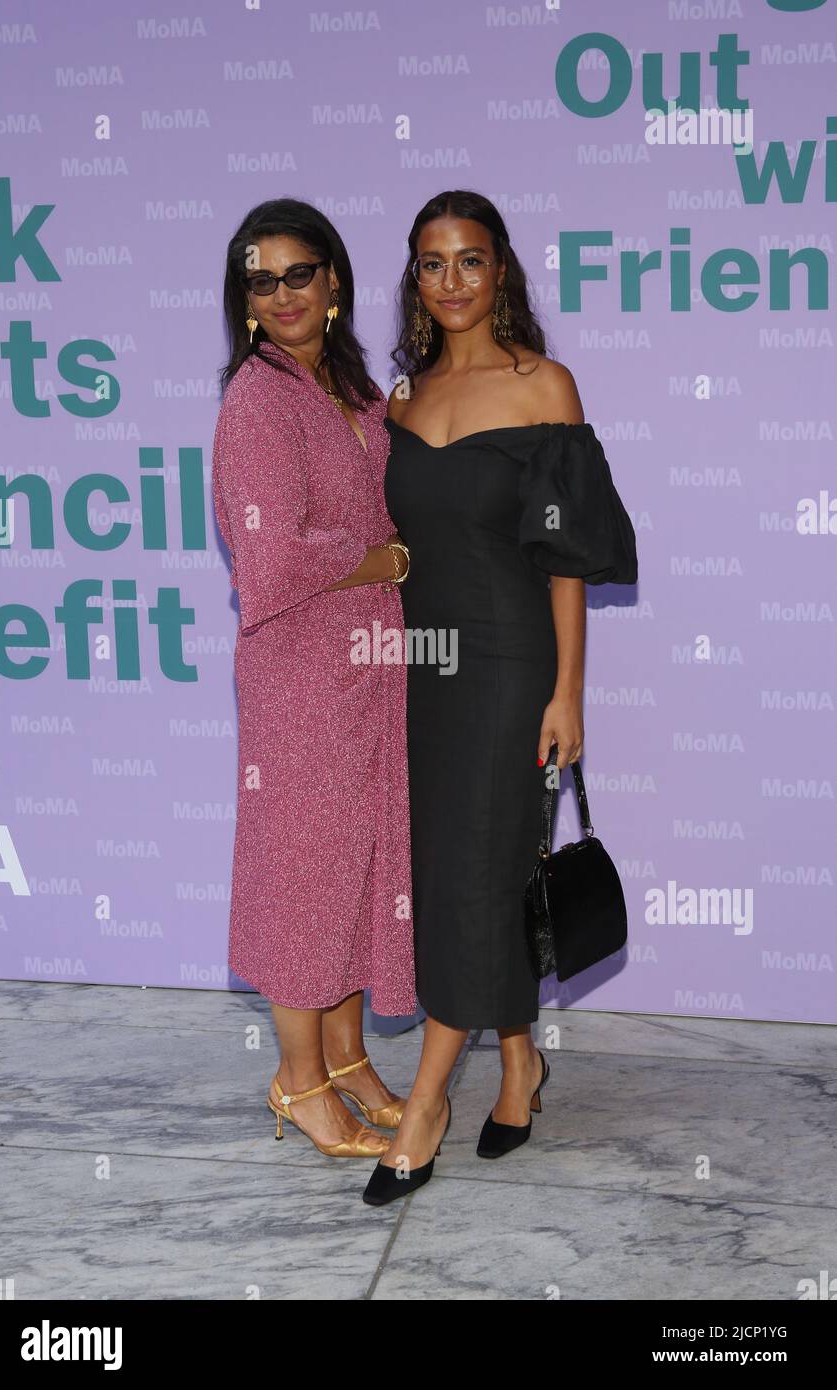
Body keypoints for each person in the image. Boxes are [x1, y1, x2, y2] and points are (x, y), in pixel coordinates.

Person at [363, 189, 638, 1205]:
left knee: (477, 873)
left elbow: (565, 560)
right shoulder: (400, 397)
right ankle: (519, 1063)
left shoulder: (543, 387)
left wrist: (568, 689)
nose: (451, 281)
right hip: (421, 671)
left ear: (501, 270)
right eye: (431, 263)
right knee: (457, 876)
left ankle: (427, 1099)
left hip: (513, 661)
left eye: (468, 259)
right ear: (415, 278)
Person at [212, 198, 417, 1160]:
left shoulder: (348, 386)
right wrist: (378, 562)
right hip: (302, 676)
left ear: (333, 283)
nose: (285, 294)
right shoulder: (258, 398)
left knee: (353, 868)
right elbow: (269, 557)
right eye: (264, 280)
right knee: (303, 875)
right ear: (246, 303)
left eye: (301, 274)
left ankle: (342, 1060)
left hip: (368, 672)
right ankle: (298, 1084)